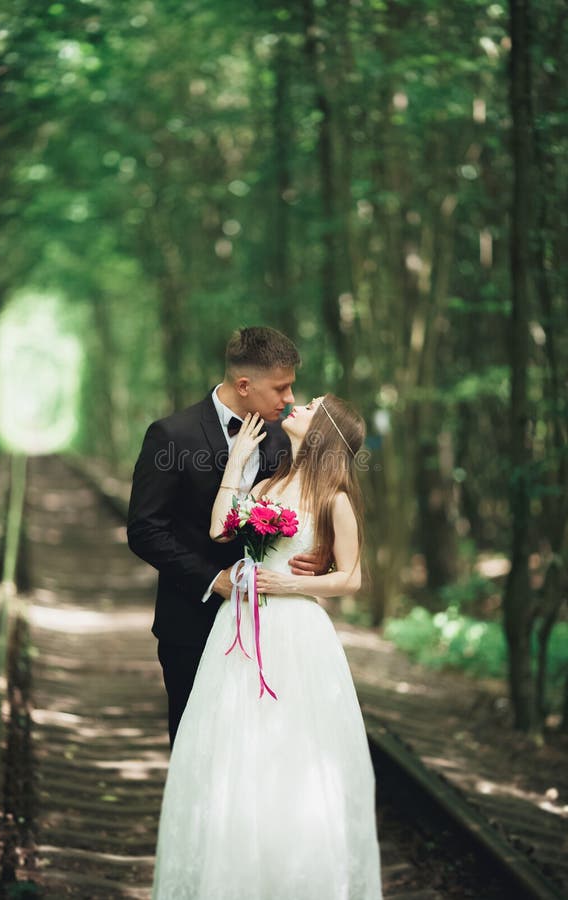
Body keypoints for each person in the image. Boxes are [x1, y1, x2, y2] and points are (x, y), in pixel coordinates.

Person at [151, 394, 383, 900]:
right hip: (239, 628)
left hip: (296, 634)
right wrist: (235, 463)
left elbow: (351, 578)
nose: (298, 404)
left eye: (312, 405)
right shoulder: (270, 480)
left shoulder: (335, 498)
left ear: (323, 430)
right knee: (235, 746)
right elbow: (218, 529)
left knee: (293, 753)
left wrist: (292, 586)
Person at [127, 326, 324, 745]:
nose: (290, 399)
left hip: (272, 629)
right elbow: (145, 529)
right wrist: (212, 580)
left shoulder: (284, 438)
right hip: (191, 625)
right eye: (282, 388)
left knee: (261, 749)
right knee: (195, 746)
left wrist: (317, 555)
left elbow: (305, 512)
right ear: (244, 385)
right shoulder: (171, 436)